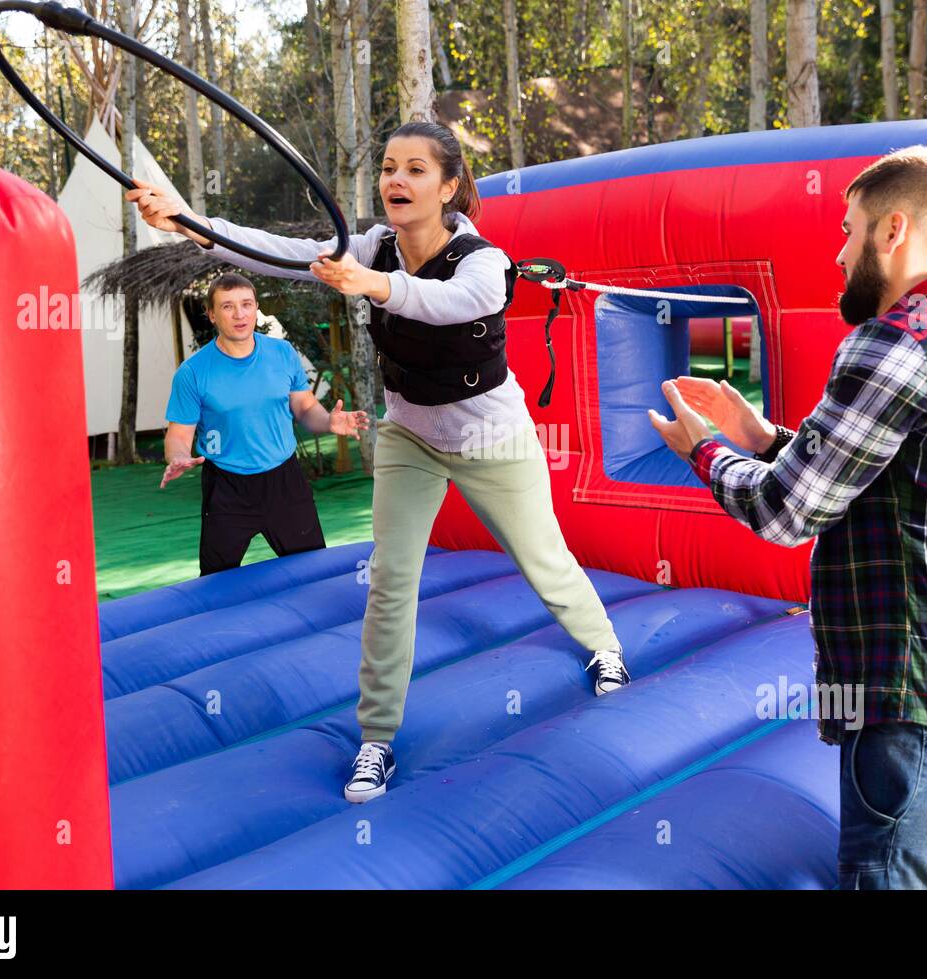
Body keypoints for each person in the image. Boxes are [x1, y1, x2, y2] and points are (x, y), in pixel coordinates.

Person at [129, 121, 629, 805]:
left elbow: (454, 302)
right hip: (410, 437)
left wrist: (371, 283)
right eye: (390, 167)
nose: (396, 180)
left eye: (416, 169)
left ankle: (604, 646)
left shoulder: (483, 260)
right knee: (391, 582)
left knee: (543, 556)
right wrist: (186, 220)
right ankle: (376, 740)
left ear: (449, 187)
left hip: (492, 438)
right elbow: (280, 253)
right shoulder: (373, 244)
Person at [649, 146, 927, 889]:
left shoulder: (892, 343)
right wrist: (764, 436)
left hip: (913, 715)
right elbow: (893, 478)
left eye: (848, 228)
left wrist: (701, 451)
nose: (838, 252)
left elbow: (784, 511)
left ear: (893, 230)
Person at [162, 271, 370, 575]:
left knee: (313, 574)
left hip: (285, 481)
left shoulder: (282, 353)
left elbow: (304, 408)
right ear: (211, 315)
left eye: (246, 304)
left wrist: (329, 422)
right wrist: (178, 457)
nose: (239, 314)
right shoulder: (192, 372)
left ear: (256, 308)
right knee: (216, 584)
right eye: (227, 306)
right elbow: (178, 435)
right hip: (227, 487)